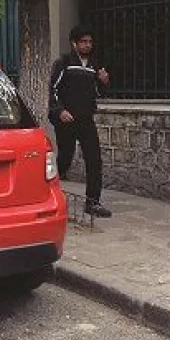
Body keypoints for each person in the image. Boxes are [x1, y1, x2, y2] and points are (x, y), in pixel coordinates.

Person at [48, 25, 112, 217]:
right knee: (65, 160)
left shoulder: (94, 65)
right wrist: (59, 111)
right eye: (83, 41)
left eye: (90, 42)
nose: (87, 45)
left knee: (94, 160)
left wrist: (104, 81)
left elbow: (99, 93)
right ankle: (49, 194)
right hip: (66, 120)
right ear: (74, 43)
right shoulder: (64, 63)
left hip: (86, 119)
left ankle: (93, 203)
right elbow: (53, 89)